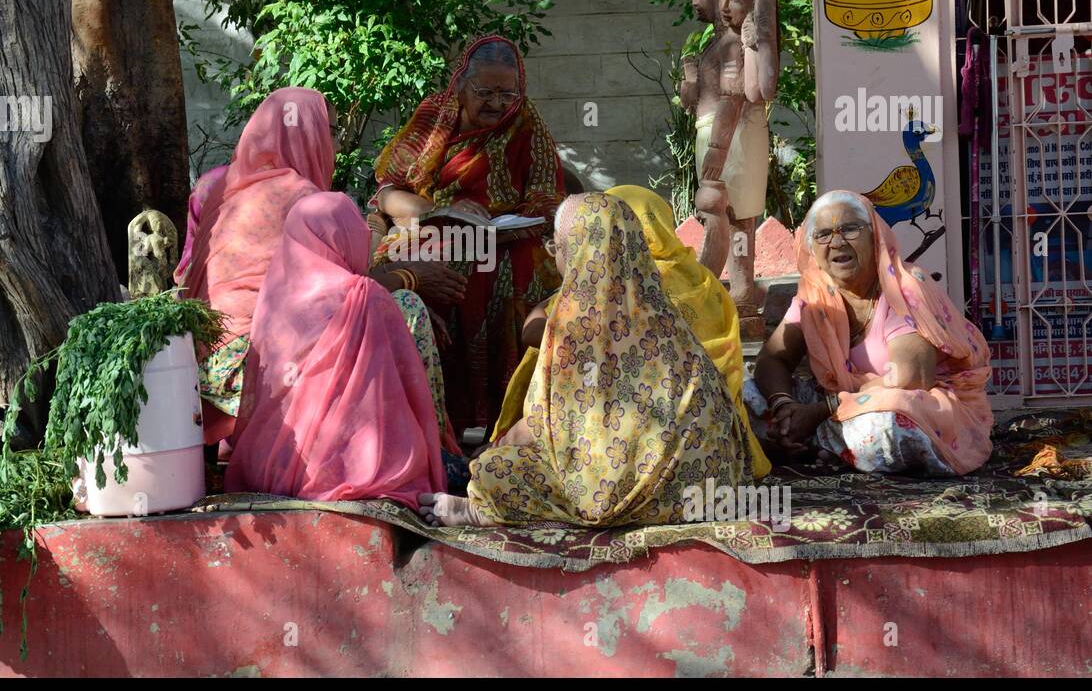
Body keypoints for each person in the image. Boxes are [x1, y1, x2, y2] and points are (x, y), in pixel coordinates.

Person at [420, 193, 753, 528]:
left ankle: (477, 512)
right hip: (709, 489)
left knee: (495, 472)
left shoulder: (575, 321)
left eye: (557, 248)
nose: (554, 259)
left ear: (577, 251)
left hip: (632, 490)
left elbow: (540, 427)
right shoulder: (662, 311)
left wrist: (487, 459)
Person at [182, 88, 463, 450]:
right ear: (305, 134)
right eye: (328, 130)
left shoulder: (221, 187)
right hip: (254, 368)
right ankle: (427, 450)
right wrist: (413, 278)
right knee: (405, 309)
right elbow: (350, 292)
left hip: (206, 366)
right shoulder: (305, 200)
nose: (334, 143)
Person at [492, 185, 771, 480]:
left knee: (495, 473)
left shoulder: (603, 291)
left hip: (628, 468)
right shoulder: (692, 281)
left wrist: (501, 445)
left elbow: (550, 416)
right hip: (716, 459)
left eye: (557, 247)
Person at [373, 35, 564, 434]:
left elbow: (547, 194)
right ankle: (443, 419)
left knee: (522, 267)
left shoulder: (525, 121)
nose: (497, 104)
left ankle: (513, 415)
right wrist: (442, 210)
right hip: (430, 226)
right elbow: (388, 193)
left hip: (506, 236)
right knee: (438, 263)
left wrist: (517, 221)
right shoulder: (433, 116)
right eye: (485, 93)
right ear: (460, 85)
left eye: (507, 93)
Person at [225, 192, 446, 509]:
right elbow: (406, 394)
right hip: (348, 468)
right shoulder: (366, 297)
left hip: (268, 462)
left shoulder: (273, 298)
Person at [750, 190, 993, 475]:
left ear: (874, 235)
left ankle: (811, 441)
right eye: (824, 234)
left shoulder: (903, 288)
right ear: (812, 248)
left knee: (893, 421)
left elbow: (910, 379)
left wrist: (818, 412)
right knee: (744, 393)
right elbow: (772, 359)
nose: (837, 242)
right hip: (840, 407)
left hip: (924, 404)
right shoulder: (815, 297)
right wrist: (784, 406)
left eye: (850, 229)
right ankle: (812, 438)